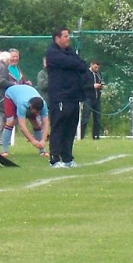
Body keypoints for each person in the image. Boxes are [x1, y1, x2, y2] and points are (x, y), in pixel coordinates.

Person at [43, 27, 89, 168]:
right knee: (59, 127)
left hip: (73, 96)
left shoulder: (70, 51)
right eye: (65, 36)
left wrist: (74, 62)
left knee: (70, 128)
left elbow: (82, 65)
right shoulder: (52, 52)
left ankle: (67, 158)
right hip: (60, 96)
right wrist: (74, 62)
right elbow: (72, 63)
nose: (68, 39)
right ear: (57, 38)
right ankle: (55, 159)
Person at [0, 81, 49, 158]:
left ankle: (42, 151)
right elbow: (22, 125)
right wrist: (32, 140)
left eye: (38, 112)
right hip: (10, 95)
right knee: (10, 121)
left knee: (35, 122)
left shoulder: (43, 105)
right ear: (30, 107)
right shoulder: (22, 104)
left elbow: (46, 124)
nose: (37, 114)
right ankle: (4, 151)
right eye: (35, 112)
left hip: (26, 94)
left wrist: (43, 140)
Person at [83, 60, 104, 140]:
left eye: (98, 68)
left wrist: (101, 86)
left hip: (97, 99)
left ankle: (96, 136)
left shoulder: (98, 74)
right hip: (88, 98)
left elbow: (100, 83)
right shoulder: (85, 73)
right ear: (91, 65)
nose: (97, 69)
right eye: (95, 67)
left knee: (97, 118)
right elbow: (82, 86)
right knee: (85, 117)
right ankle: (81, 135)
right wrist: (92, 86)